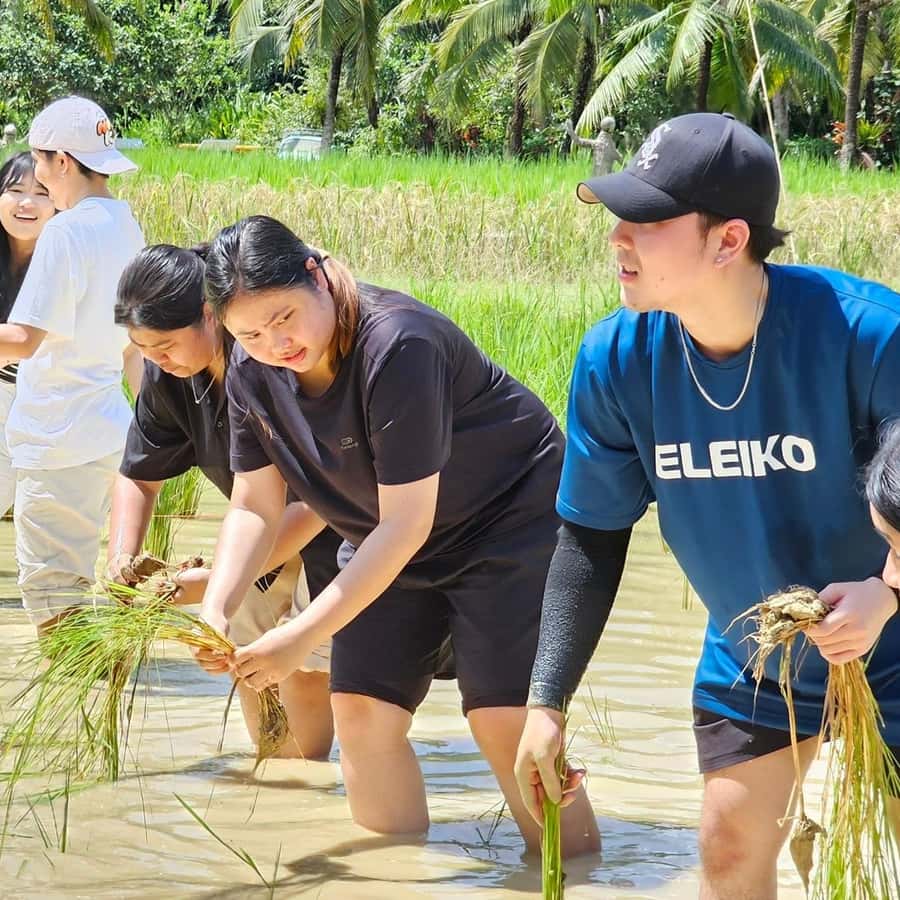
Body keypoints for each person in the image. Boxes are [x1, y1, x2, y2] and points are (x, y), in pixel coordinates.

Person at [514, 112, 900, 898]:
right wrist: (546, 703)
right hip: (755, 650)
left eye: (647, 222)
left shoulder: (868, 335)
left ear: (728, 240)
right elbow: (591, 540)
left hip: (894, 645)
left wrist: (887, 593)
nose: (618, 239)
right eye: (617, 218)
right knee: (726, 850)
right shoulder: (616, 360)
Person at [192, 215, 599, 854]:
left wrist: (300, 636)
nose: (276, 343)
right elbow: (254, 504)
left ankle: (575, 875)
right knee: (361, 711)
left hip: (507, 520)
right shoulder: (250, 370)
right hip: (384, 533)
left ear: (317, 273)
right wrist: (217, 607)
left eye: (284, 317)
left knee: (503, 721)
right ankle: (391, 874)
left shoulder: (398, 344)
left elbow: (407, 523)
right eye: (250, 333)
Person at [110, 243, 343, 759]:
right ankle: (274, 785)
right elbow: (138, 476)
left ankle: (300, 782)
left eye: (165, 345)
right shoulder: (168, 377)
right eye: (141, 348)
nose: (155, 360)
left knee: (305, 669)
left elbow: (323, 499)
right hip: (257, 537)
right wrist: (122, 561)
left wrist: (215, 581)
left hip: (335, 532)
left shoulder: (273, 360)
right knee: (245, 661)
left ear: (210, 314)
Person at [0, 96, 144, 632]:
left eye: (39, 163)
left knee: (53, 596)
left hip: (57, 437)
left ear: (62, 161)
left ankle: (79, 685)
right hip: (106, 433)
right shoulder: (125, 223)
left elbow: (23, 340)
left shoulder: (65, 230)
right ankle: (109, 675)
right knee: (84, 586)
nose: (37, 177)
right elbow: (132, 343)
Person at [0, 153, 54, 514]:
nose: (26, 202)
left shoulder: (64, 259)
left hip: (44, 409)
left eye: (41, 193)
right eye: (16, 190)